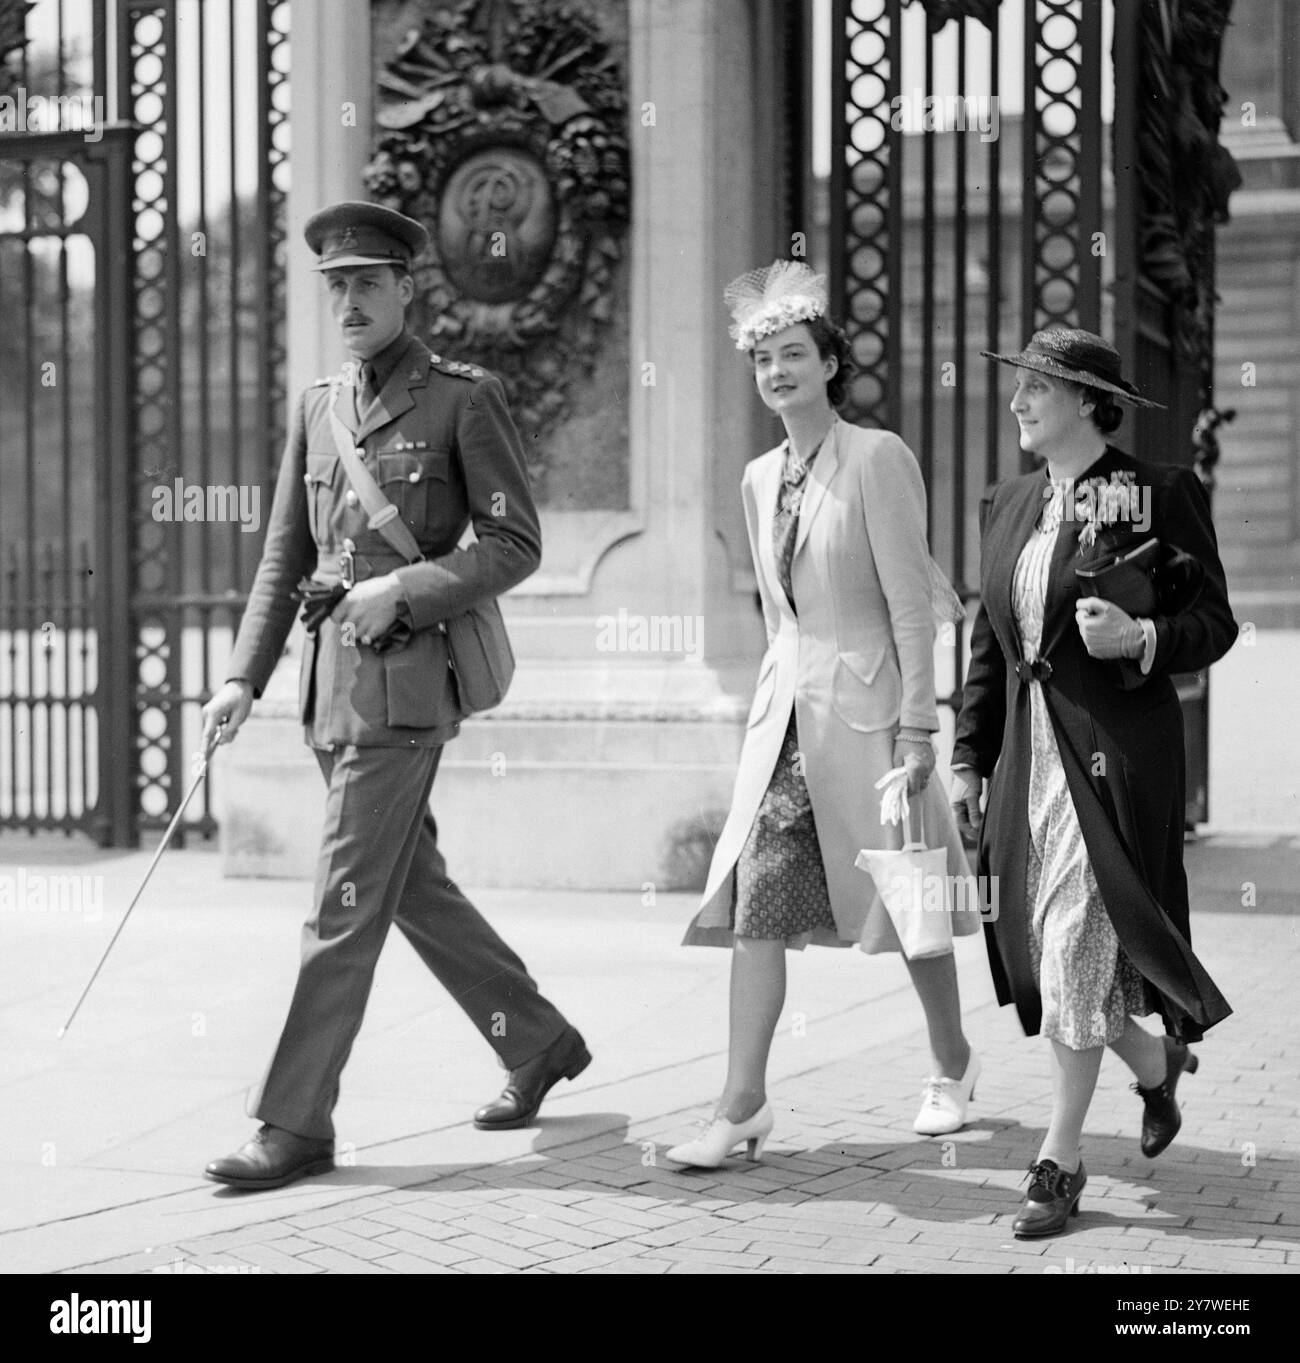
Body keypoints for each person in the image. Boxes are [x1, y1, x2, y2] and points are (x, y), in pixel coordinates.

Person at [200, 201, 589, 1191]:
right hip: (329, 690)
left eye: (367, 282)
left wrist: (405, 587)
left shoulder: (463, 398)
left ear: (406, 288)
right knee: (405, 884)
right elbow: (285, 553)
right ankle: (535, 1039)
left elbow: (513, 543)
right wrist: (243, 675)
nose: (350, 301)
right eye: (336, 286)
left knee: (340, 902)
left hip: (406, 695)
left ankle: (293, 1121)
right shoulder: (315, 405)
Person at [667, 261, 980, 1169]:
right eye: (763, 359)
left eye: (794, 353)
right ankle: (741, 1103)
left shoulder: (878, 457)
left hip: (874, 720)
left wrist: (920, 729)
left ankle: (952, 1063)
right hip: (786, 728)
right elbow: (779, 618)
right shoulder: (758, 477)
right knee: (755, 898)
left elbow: (909, 605)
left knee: (908, 893)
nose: (778, 372)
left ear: (831, 363)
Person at [950, 327, 1236, 1237]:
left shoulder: (1156, 494)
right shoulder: (1007, 501)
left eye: (1039, 387)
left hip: (1112, 748)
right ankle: (1155, 1067)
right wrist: (967, 753)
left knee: (1075, 934)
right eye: (1020, 385)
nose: (1020, 401)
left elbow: (1214, 619)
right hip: (1024, 757)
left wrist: (1142, 640)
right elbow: (991, 645)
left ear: (1086, 401)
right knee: (1053, 947)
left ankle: (1059, 1158)